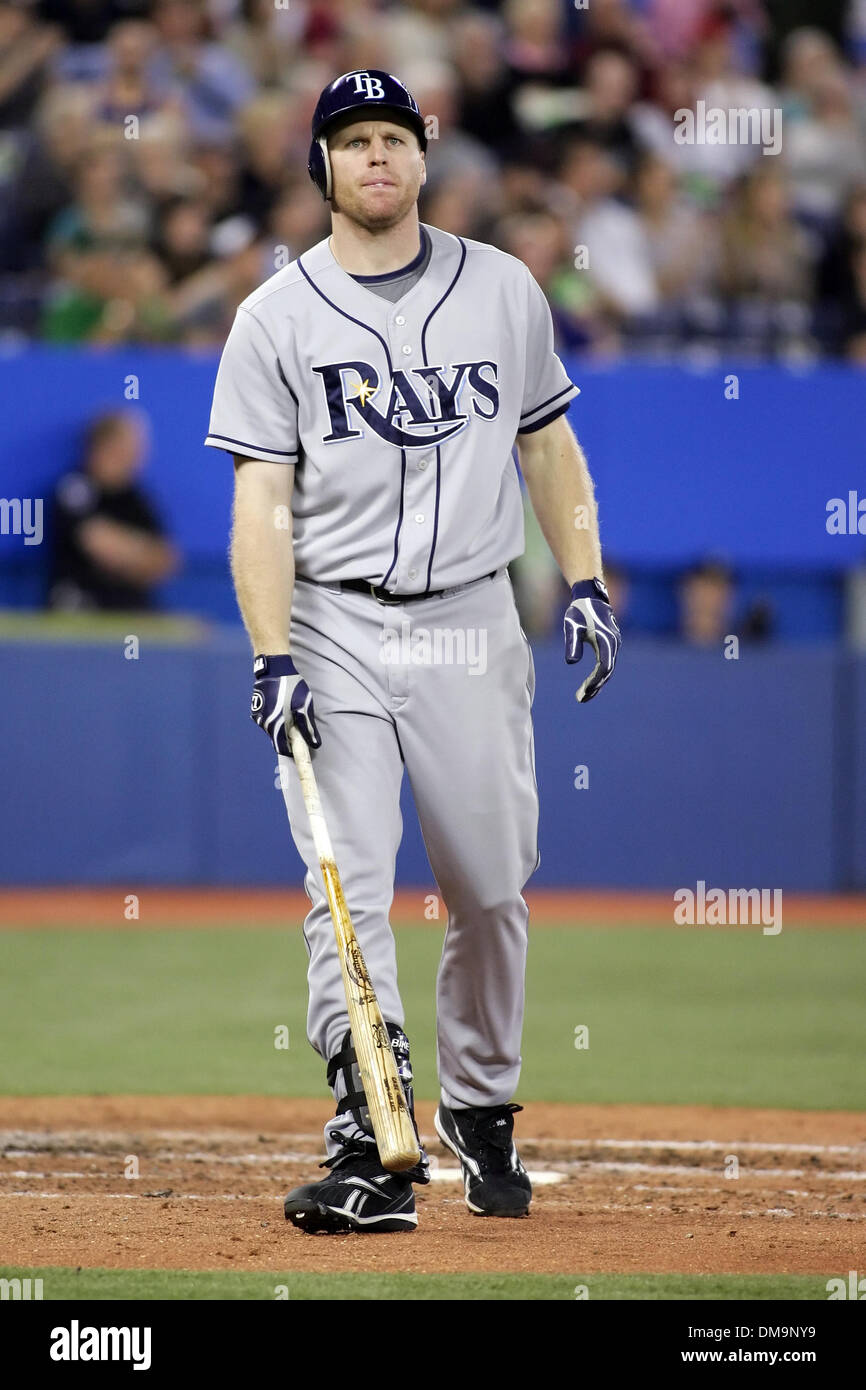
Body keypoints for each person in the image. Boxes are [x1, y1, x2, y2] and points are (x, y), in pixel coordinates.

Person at [204, 69, 620, 1235]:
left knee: (489, 886)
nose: (374, 157)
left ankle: (478, 1099)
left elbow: (549, 450)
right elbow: (260, 502)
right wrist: (272, 649)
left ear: (422, 159)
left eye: (393, 138)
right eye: (351, 142)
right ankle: (370, 1141)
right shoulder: (275, 317)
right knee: (344, 875)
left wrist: (582, 576)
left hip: (470, 615)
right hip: (331, 616)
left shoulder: (501, 289)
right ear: (321, 168)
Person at [48, 408, 179, 610]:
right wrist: (141, 553)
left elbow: (165, 561)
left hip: (133, 613)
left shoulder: (137, 497)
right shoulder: (75, 488)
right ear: (103, 446)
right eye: (128, 448)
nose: (137, 456)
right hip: (80, 609)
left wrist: (130, 550)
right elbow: (100, 544)